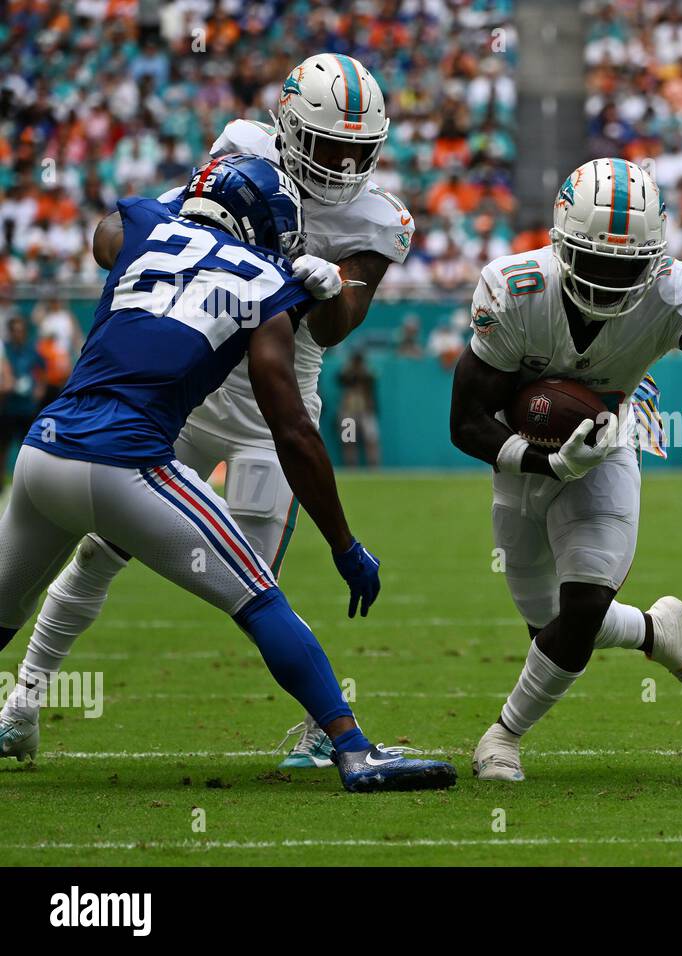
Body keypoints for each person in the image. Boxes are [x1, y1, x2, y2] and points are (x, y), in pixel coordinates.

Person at [0, 54, 415, 772]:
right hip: (190, 394)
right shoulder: (241, 152)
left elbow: (341, 323)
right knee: (102, 549)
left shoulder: (377, 217)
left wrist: (324, 290)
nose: (345, 164)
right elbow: (170, 224)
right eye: (330, 145)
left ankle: (324, 731)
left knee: (253, 579)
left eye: (359, 150)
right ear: (285, 131)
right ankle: (24, 700)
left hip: (273, 403)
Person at [449, 157, 682, 781]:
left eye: (627, 266)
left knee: (583, 609)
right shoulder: (515, 289)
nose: (609, 279)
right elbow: (465, 422)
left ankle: (502, 738)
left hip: (606, 446)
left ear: (652, 260)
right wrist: (544, 460)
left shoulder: (668, 289)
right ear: (562, 242)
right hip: (522, 457)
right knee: (550, 622)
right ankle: (657, 630)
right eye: (595, 260)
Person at [0, 316, 48, 492]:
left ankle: (25, 484)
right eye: (15, 330)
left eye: (21, 330)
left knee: (27, 448)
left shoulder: (31, 350)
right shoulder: (5, 350)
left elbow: (43, 369)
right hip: (8, 406)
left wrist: (40, 389)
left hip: (27, 407)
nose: (18, 334)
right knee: (3, 446)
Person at [337, 351, 381, 467]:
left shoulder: (368, 374)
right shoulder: (347, 373)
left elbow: (372, 379)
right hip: (349, 412)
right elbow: (340, 378)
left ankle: (374, 466)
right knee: (349, 441)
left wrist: (362, 371)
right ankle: (351, 467)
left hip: (366, 411)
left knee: (371, 440)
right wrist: (351, 370)